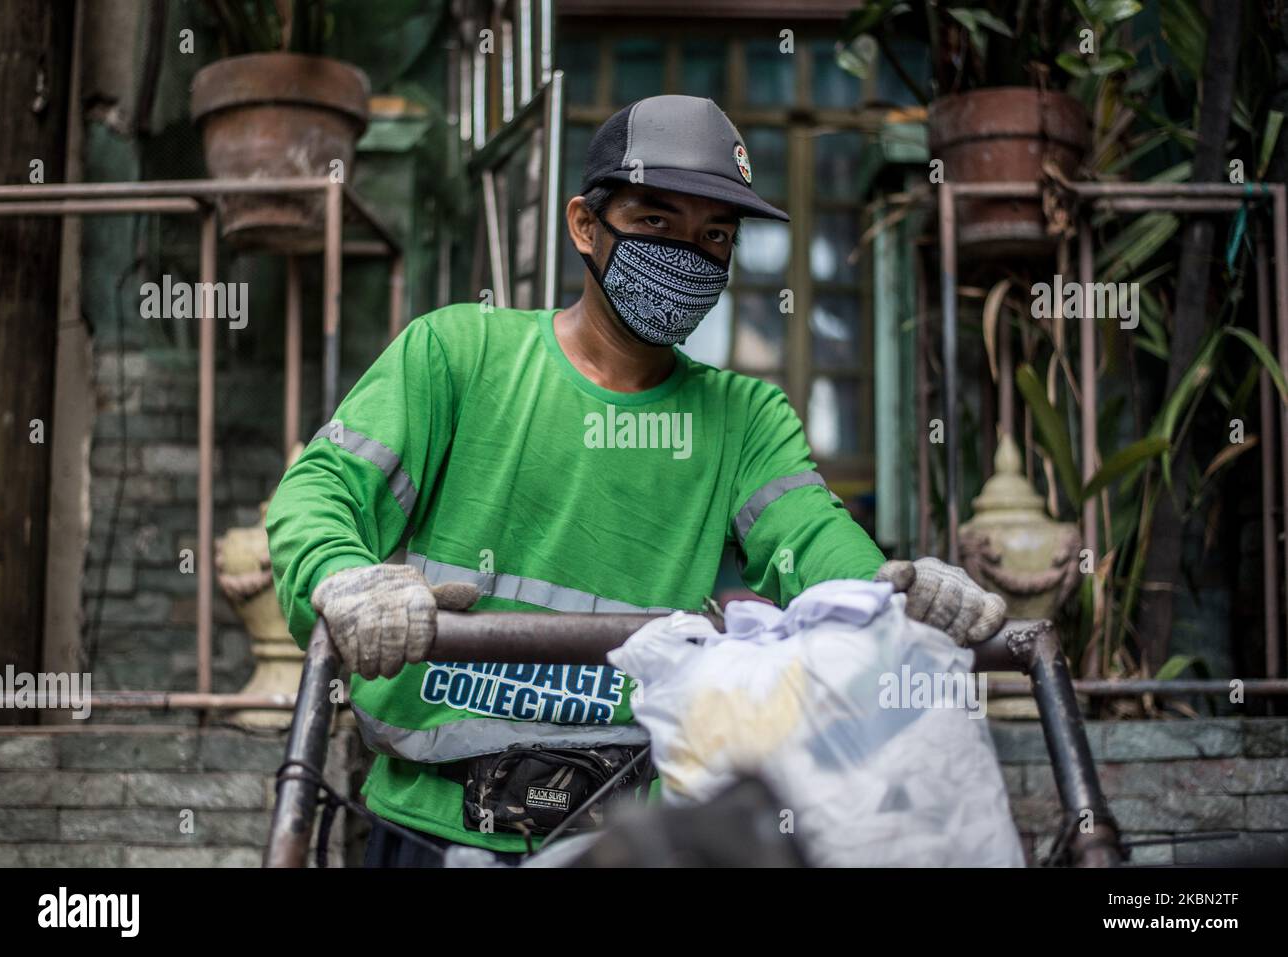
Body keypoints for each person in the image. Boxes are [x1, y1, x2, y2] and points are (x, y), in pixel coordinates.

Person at [265, 94, 1006, 867]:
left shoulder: (743, 416)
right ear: (585, 224)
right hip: (424, 823)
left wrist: (897, 596)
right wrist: (343, 576)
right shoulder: (457, 354)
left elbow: (811, 540)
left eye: (715, 235)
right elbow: (322, 490)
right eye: (656, 223)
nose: (690, 254)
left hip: (623, 841)